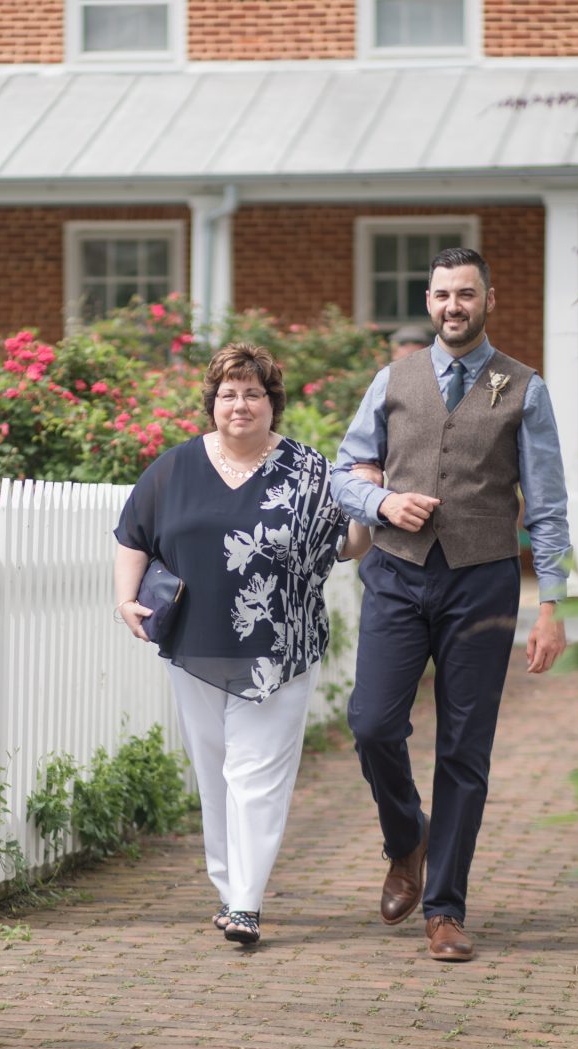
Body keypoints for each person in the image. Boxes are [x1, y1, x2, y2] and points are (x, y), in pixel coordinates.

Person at [330, 247, 571, 963]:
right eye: (441, 294)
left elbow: (548, 505)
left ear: (488, 299)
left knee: (465, 748)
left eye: (466, 294)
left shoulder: (524, 388)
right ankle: (407, 838)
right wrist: (383, 501)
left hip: (483, 582)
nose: (452, 306)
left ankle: (446, 908)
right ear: (429, 299)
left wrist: (552, 603)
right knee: (372, 722)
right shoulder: (394, 378)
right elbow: (342, 471)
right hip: (399, 576)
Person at [114, 342, 370, 946]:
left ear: (271, 403)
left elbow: (349, 545)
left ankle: (247, 904)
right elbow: (134, 535)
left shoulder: (309, 470)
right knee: (215, 771)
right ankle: (229, 888)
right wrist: (126, 599)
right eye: (229, 394)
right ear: (213, 403)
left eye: (253, 393)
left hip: (278, 643)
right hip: (194, 644)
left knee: (258, 773)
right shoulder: (173, 468)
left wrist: (367, 496)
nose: (240, 404)